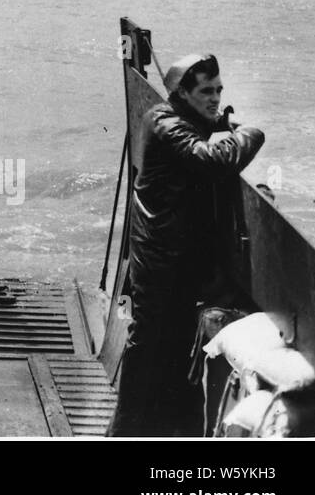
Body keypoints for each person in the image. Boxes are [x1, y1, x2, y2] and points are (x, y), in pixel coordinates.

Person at [106, 54, 263, 437]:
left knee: (170, 350)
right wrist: (251, 134)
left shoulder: (178, 120)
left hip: (174, 258)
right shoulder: (165, 123)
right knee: (147, 350)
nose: (215, 98)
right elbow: (210, 160)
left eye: (219, 90)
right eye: (206, 91)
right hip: (161, 263)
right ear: (183, 93)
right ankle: (123, 432)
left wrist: (217, 123)